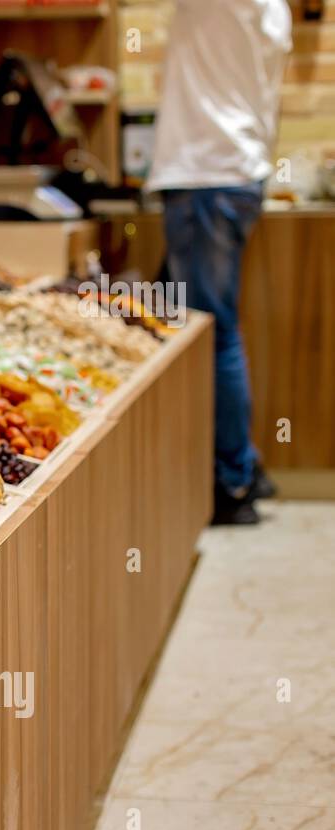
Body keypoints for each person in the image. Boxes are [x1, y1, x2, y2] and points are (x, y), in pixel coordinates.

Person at [146, 0, 291, 525]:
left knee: (213, 333)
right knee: (203, 327)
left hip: (204, 176)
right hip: (236, 172)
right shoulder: (273, 10)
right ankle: (243, 464)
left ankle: (233, 483)